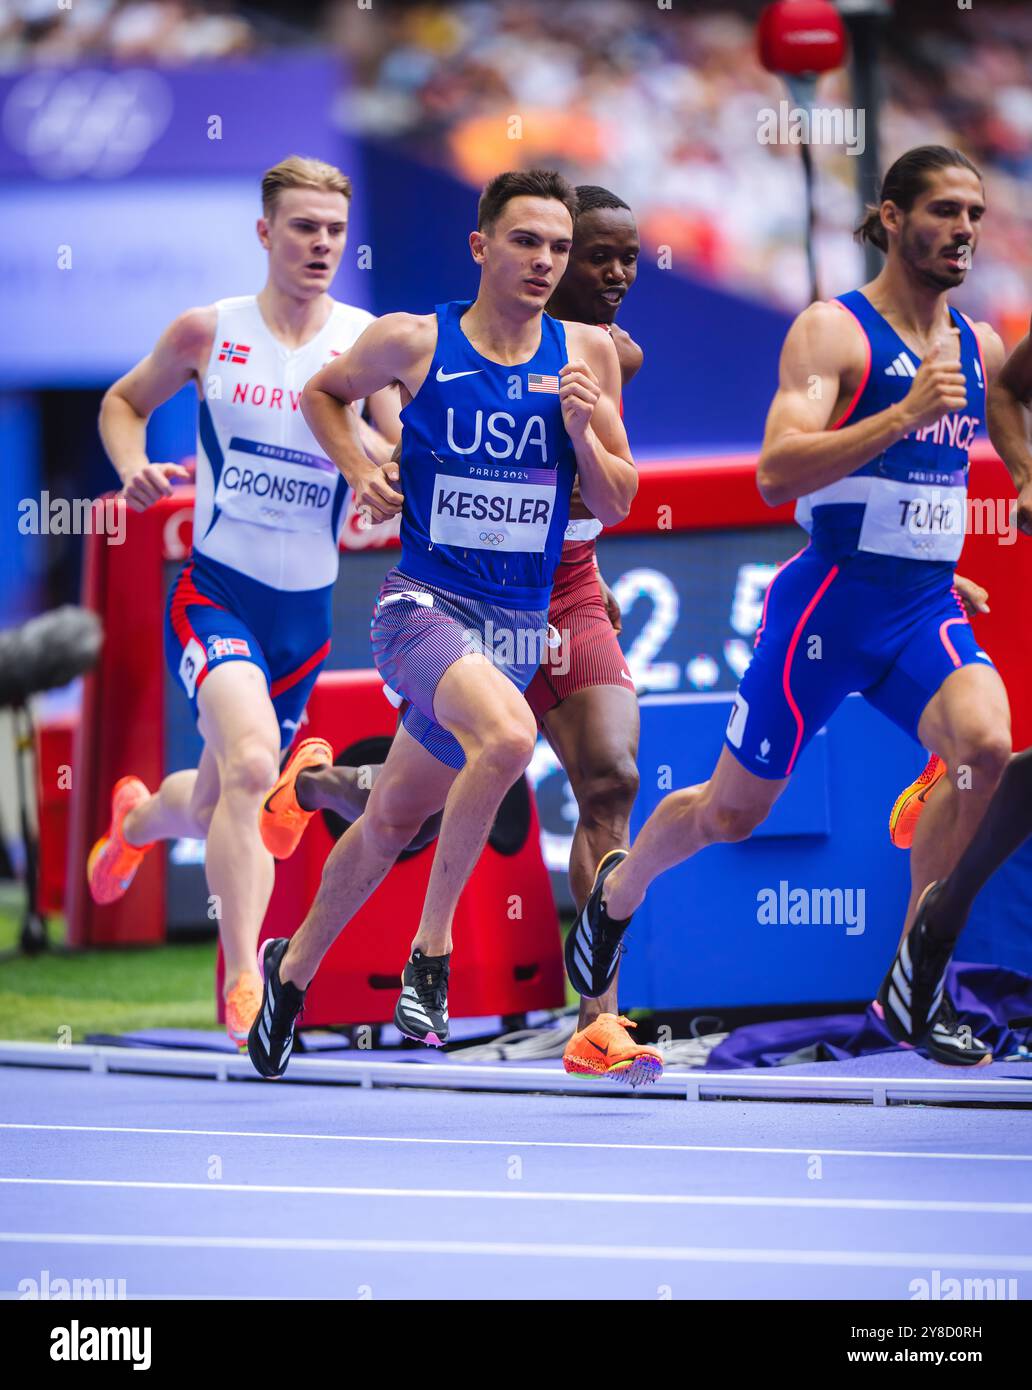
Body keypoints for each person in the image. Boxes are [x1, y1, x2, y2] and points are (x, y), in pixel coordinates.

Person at [567, 146, 1011, 1067]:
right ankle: (616, 898)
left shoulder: (983, 344)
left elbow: (941, 476)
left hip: (922, 601)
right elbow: (775, 472)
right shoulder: (832, 331)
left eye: (974, 213)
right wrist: (901, 411)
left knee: (987, 749)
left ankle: (915, 983)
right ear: (891, 219)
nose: (963, 230)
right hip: (826, 611)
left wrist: (935, 554)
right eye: (942, 212)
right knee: (731, 815)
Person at [260, 186, 662, 1084]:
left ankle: (287, 972)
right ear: (479, 246)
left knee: (393, 820)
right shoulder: (415, 339)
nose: (547, 261)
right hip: (424, 609)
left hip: (525, 622)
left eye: (558, 246)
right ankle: (429, 957)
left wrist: (580, 435)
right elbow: (324, 393)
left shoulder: (591, 353)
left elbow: (619, 499)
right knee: (511, 739)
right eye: (527, 242)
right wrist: (364, 466)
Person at [87, 155, 401, 1047]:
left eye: (335, 230)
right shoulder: (207, 331)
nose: (321, 244)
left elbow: (389, 441)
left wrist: (388, 476)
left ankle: (139, 819)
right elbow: (122, 402)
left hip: (305, 617)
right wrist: (132, 468)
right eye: (304, 227)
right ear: (265, 233)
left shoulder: (363, 339)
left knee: (222, 794)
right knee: (260, 771)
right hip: (216, 593)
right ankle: (243, 975)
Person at [875, 314, 1032, 1045]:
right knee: (1010, 770)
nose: (964, 229)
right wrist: (1027, 475)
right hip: (870, 598)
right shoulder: (837, 334)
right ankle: (927, 944)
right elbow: (1010, 393)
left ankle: (925, 947)